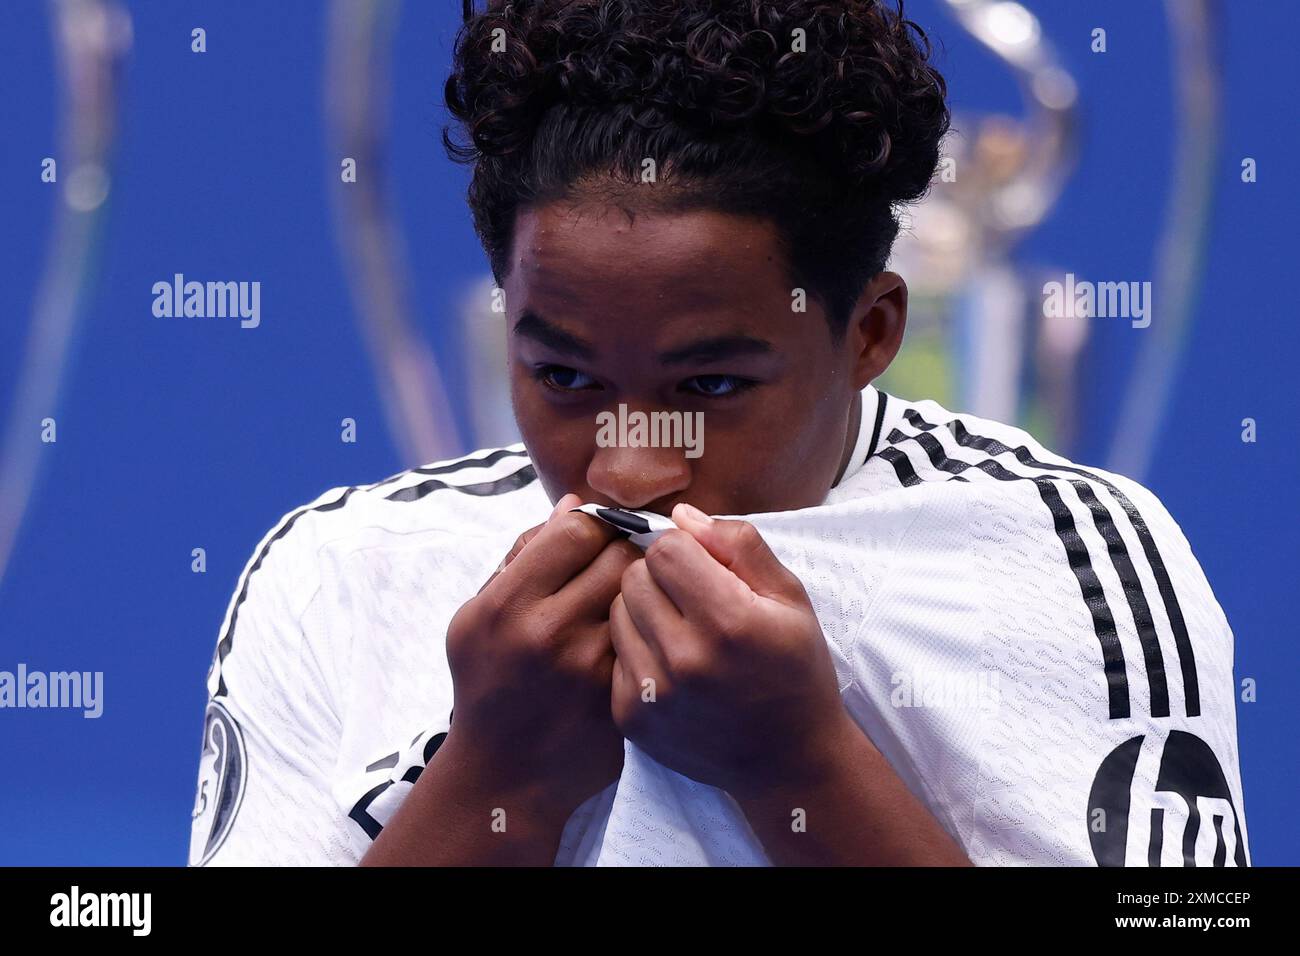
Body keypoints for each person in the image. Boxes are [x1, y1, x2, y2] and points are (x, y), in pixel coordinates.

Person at [188, 0, 1249, 866]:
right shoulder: (334, 570)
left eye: (708, 382)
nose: (627, 465)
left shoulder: (1080, 558)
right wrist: (497, 777)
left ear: (872, 329)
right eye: (562, 373)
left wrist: (803, 765)